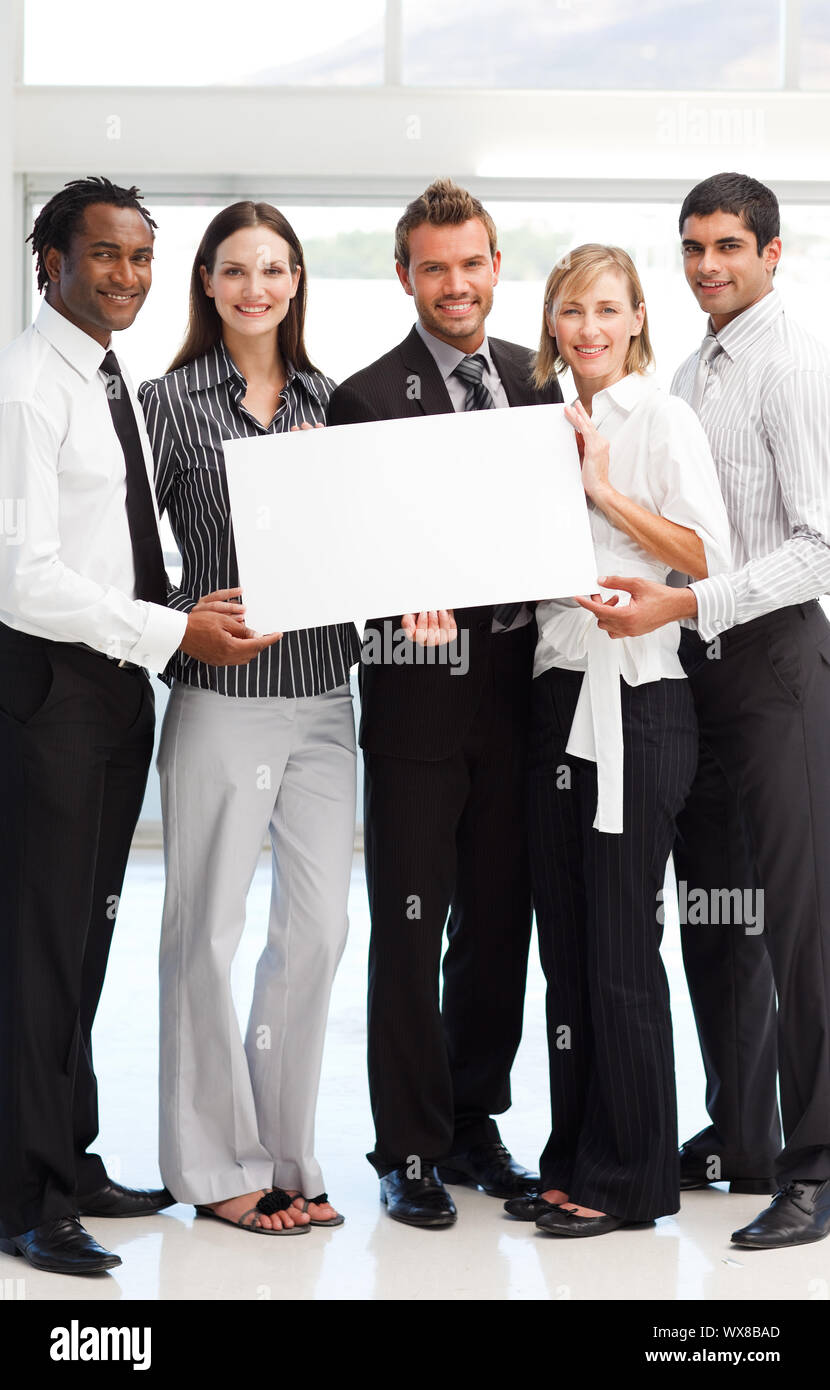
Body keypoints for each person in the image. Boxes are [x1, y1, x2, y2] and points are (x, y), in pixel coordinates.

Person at [0, 177, 276, 1277]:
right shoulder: (28, 387)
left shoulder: (112, 376)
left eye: (138, 257)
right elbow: (21, 578)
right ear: (50, 264)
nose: (124, 275)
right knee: (36, 951)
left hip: (113, 685)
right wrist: (169, 635)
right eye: (103, 255)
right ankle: (26, 1197)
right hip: (51, 693)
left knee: (85, 935)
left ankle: (67, 1156)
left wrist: (168, 631)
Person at [578, 173, 830, 1250]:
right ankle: (741, 1134)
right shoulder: (686, 372)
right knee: (716, 920)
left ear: (771, 254)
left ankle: (815, 1171)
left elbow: (816, 547)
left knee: (798, 926)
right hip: (701, 672)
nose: (705, 266)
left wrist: (690, 602)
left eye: (727, 246)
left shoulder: (788, 365)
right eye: (690, 247)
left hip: (777, 667)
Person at [328, 179, 560, 1229]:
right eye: (433, 266)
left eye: (471, 263)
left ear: (495, 264)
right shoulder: (364, 398)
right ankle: (409, 1147)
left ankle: (472, 1119)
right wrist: (388, 589)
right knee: (410, 927)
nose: (454, 283)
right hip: (418, 705)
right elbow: (342, 564)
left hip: (519, 697)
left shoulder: (537, 379)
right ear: (404, 275)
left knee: (496, 925)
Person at [139, 202, 360, 1236]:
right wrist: (184, 618)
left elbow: (371, 546)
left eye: (275, 269)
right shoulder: (164, 402)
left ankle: (286, 1154)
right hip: (220, 699)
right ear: (207, 282)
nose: (256, 288)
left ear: (298, 279)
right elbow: (128, 562)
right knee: (203, 937)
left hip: (324, 700)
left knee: (316, 933)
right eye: (236, 270)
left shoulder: (332, 401)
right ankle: (212, 1166)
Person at [502, 244, 731, 1238]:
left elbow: (706, 556)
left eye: (605, 310)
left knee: (619, 947)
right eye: (568, 311)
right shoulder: (538, 423)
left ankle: (631, 1177)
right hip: (555, 696)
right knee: (568, 945)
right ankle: (572, 1156)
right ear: (551, 323)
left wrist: (602, 492)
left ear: (637, 319)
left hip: (639, 701)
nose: (586, 328)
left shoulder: (662, 417)